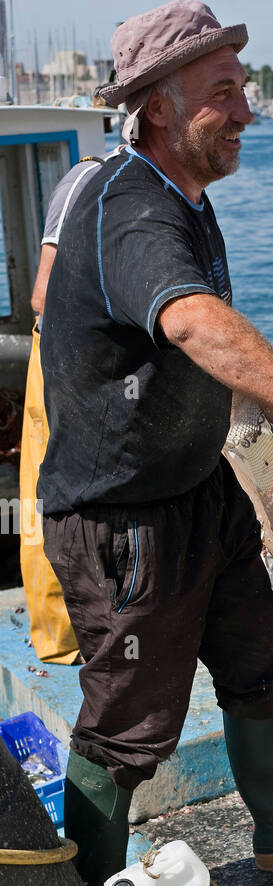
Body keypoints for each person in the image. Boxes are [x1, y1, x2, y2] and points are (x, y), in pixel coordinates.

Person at [38, 2, 273, 886]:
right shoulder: (132, 206)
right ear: (158, 109)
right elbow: (196, 323)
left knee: (265, 658)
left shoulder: (182, 197)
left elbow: (205, 354)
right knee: (129, 725)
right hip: (124, 521)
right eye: (221, 95)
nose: (245, 111)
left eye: (243, 88)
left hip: (200, 493)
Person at [22, 154, 120, 666]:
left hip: (87, 364)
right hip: (63, 361)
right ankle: (61, 637)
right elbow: (44, 294)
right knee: (51, 488)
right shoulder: (89, 180)